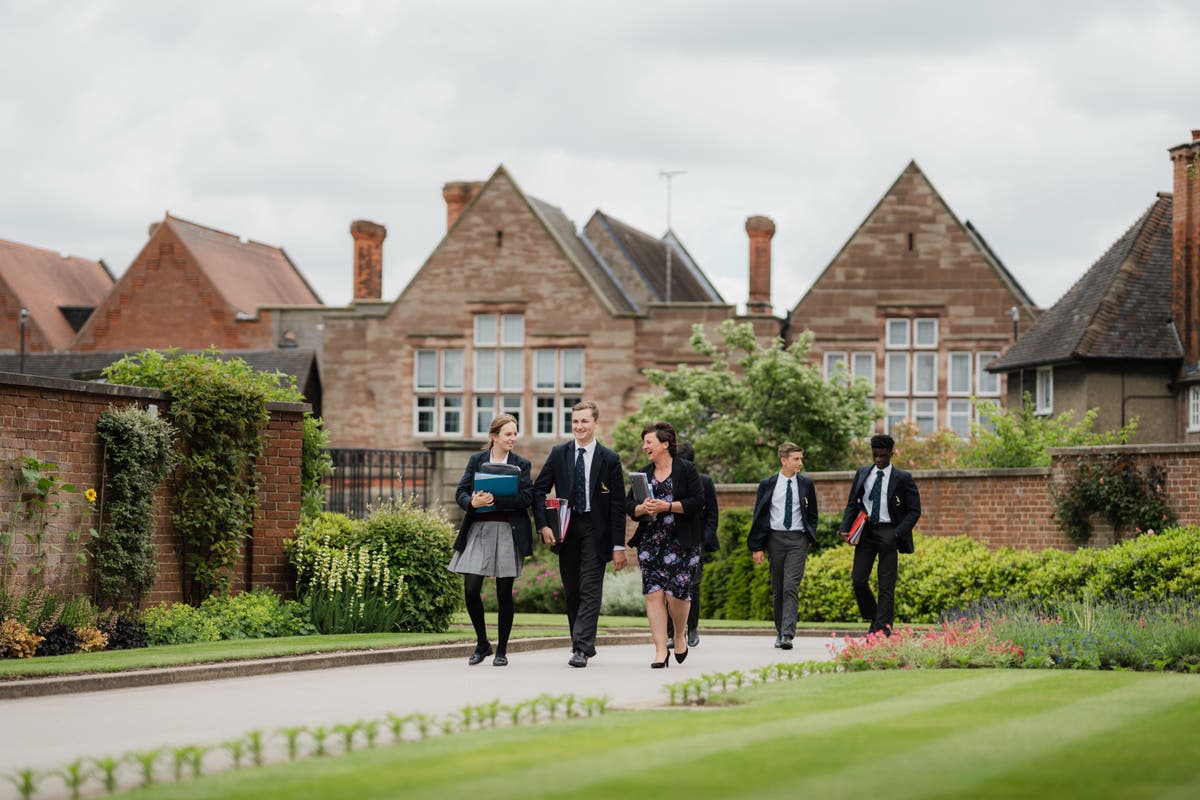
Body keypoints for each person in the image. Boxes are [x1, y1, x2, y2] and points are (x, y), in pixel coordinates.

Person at [532, 400, 628, 668]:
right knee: (572, 590)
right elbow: (538, 490)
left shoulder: (609, 459)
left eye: (584, 421)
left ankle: (583, 647)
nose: (579, 426)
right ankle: (578, 643)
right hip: (566, 529)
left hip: (596, 531)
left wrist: (618, 545)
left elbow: (618, 505)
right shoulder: (559, 453)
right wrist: (543, 525)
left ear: (596, 423)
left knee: (590, 588)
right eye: (575, 421)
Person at [449, 414, 533, 667]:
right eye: (508, 434)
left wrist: (495, 499)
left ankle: (502, 650)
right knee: (471, 589)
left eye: (515, 433)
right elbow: (461, 492)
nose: (513, 438)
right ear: (494, 436)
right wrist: (473, 502)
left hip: (508, 530)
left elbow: (526, 498)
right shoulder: (477, 460)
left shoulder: (522, 464)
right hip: (479, 530)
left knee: (504, 592)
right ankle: (482, 643)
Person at [626, 422, 705, 668]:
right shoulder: (642, 473)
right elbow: (630, 506)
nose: (644, 446)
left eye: (648, 442)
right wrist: (643, 508)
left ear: (665, 443)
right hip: (651, 542)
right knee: (654, 595)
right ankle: (661, 650)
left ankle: (679, 634)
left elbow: (697, 502)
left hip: (682, 543)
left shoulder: (687, 470)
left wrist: (667, 506)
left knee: (678, 595)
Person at [839, 433, 921, 636]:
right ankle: (877, 618)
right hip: (866, 531)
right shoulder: (863, 473)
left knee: (886, 585)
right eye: (875, 455)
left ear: (892, 453)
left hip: (889, 532)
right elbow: (852, 502)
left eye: (882, 455)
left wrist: (897, 534)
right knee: (858, 579)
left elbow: (914, 511)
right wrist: (845, 527)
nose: (878, 460)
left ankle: (881, 631)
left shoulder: (903, 478)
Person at [747, 441, 818, 650]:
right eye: (796, 459)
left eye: (801, 459)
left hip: (798, 540)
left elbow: (812, 514)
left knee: (790, 585)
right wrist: (757, 546)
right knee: (778, 587)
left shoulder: (806, 484)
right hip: (775, 540)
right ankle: (780, 631)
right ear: (783, 460)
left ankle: (788, 633)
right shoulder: (767, 484)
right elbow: (759, 516)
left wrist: (808, 537)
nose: (800, 463)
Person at [667, 442, 719, 650]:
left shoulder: (704, 482)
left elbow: (712, 516)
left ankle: (693, 628)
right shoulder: (667, 481)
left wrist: (702, 540)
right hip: (670, 543)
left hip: (695, 543)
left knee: (692, 587)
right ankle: (672, 633)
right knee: (670, 589)